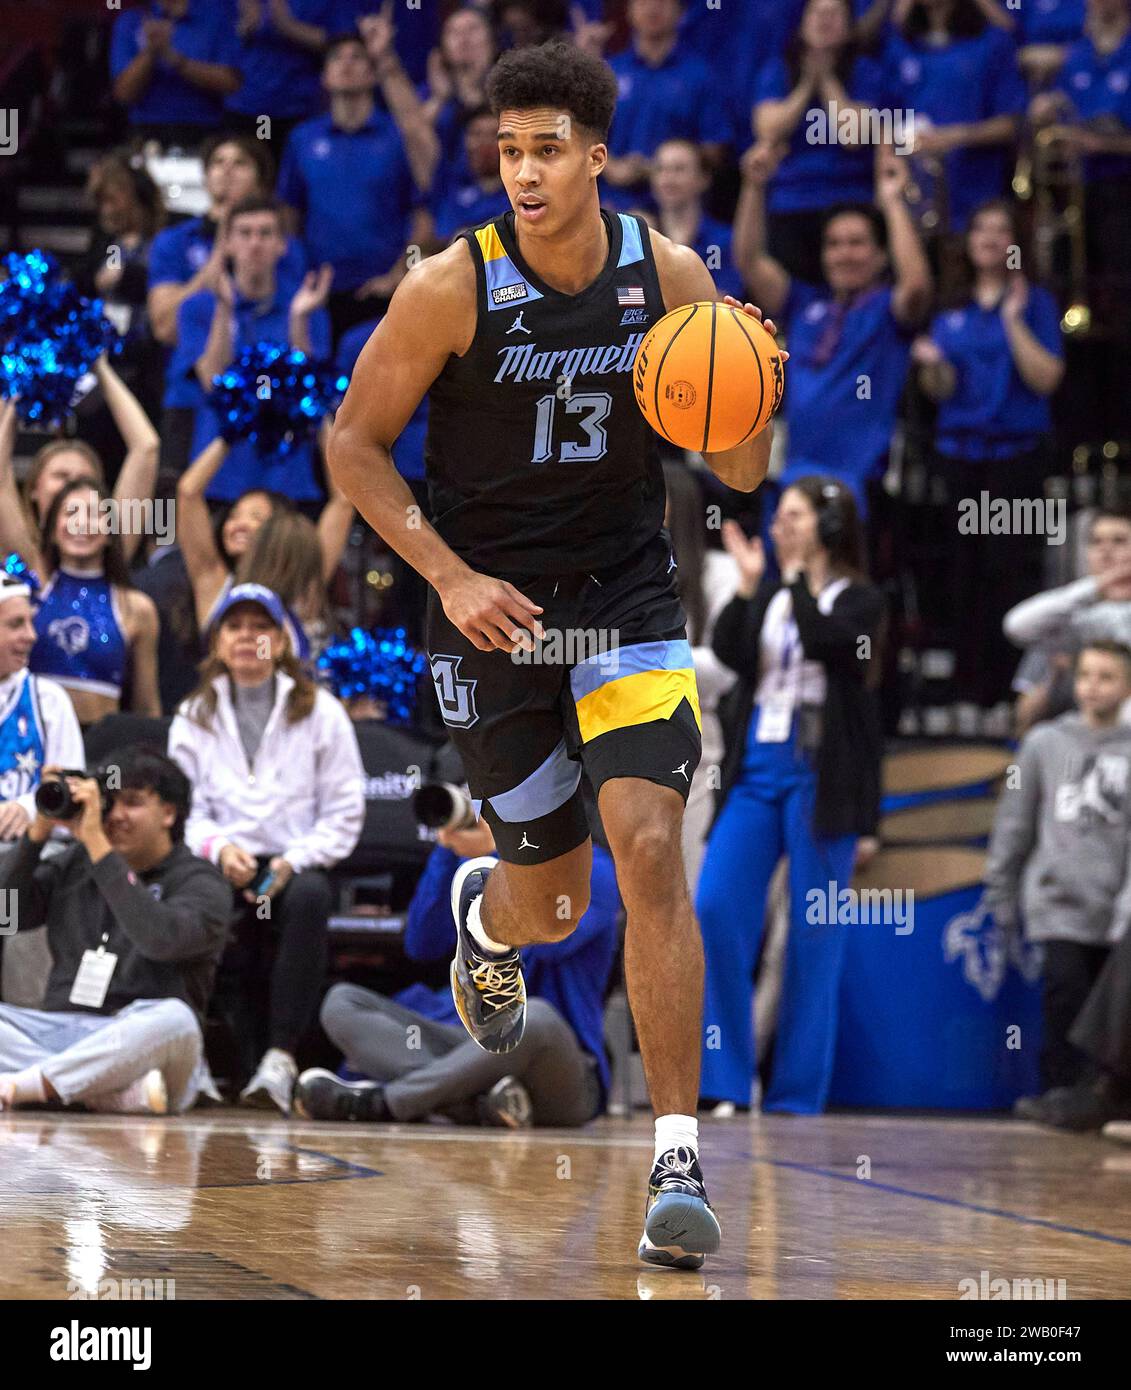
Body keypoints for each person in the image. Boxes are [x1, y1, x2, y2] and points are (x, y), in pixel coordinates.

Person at [329, 39, 782, 1271]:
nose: (523, 172)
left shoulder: (667, 272)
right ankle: (489, 910)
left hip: (626, 597)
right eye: (508, 151)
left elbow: (738, 472)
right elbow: (354, 447)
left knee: (648, 850)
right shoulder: (446, 286)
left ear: (595, 157)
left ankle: (678, 1157)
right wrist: (451, 575)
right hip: (494, 613)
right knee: (558, 899)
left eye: (546, 151)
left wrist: (745, 399)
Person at [696, 479, 885, 1115]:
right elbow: (730, 655)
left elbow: (832, 646)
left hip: (821, 775)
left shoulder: (860, 601)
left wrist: (800, 581)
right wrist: (750, 587)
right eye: (780, 518)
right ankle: (723, 1082)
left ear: (830, 527)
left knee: (814, 932)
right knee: (716, 905)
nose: (779, 528)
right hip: (756, 767)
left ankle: (795, 1095)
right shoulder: (774, 592)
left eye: (796, 518)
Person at [167, 584, 365, 1113]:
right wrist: (219, 848)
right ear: (217, 642)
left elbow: (345, 813)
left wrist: (290, 860)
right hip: (222, 860)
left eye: (261, 627)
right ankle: (195, 1060)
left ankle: (279, 1058)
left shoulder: (321, 711)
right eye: (235, 627)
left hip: (295, 861)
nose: (247, 637)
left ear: (281, 641)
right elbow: (184, 811)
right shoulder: (193, 714)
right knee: (192, 901)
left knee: (307, 899)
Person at [297, 813, 619, 1127]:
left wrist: (497, 855)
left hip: (553, 1066)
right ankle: (473, 1105)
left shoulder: (596, 869)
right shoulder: (464, 857)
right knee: (341, 1002)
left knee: (534, 1016)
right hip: (462, 1042)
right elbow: (421, 944)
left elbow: (544, 936)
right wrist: (447, 852)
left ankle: (387, 1103)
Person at [0, 749, 231, 1115]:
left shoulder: (202, 882)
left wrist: (97, 845)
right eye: (110, 802)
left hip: (141, 1042)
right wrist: (36, 835)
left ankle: (26, 1084)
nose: (116, 816)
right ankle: (101, 1094)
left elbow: (159, 940)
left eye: (133, 803)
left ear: (169, 813)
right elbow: (5, 918)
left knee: (177, 1019)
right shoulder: (72, 865)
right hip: (62, 1033)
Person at [912, 198, 1065, 712]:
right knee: (962, 571)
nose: (990, 238)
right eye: (981, 228)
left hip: (1015, 457)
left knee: (1008, 569)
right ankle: (966, 683)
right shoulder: (951, 307)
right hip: (960, 454)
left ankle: (1007, 687)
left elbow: (1046, 378)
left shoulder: (1036, 302)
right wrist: (930, 365)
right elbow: (940, 390)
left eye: (1002, 231)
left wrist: (1015, 321)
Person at [734, 141, 931, 514]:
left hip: (858, 484)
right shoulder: (807, 303)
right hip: (794, 479)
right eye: (834, 244)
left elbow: (918, 287)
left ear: (881, 255)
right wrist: (754, 186)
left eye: (857, 243)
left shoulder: (887, 311)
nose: (844, 254)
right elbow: (750, 262)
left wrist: (891, 201)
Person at [984, 641, 1131, 1104]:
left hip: (1115, 906)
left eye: (1107, 677)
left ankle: (1101, 1097)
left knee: (1108, 1014)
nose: (1093, 687)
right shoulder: (1043, 743)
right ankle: (1058, 1093)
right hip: (1058, 901)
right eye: (1085, 675)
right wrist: (1001, 888)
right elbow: (1015, 821)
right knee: (1063, 996)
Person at [147, 133, 308, 474]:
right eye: (218, 163)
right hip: (190, 399)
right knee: (181, 504)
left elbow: (289, 316)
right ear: (205, 176)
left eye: (240, 163)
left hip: (260, 397)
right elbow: (164, 327)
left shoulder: (287, 248)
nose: (227, 171)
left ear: (260, 179)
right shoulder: (174, 241)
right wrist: (219, 256)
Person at [171, 195, 334, 504]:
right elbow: (213, 383)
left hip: (288, 478)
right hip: (220, 476)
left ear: (282, 245)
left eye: (265, 233)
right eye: (244, 233)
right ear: (227, 244)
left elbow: (311, 396)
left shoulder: (308, 309)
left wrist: (298, 321)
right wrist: (224, 309)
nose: (255, 243)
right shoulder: (197, 309)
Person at [277, 32, 435, 341]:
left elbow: (422, 213)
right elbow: (288, 214)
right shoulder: (302, 138)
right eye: (337, 58)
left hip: (385, 290)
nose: (347, 64)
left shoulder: (397, 136)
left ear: (373, 73)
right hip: (317, 291)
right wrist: (296, 277)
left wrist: (399, 274)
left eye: (357, 57)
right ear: (324, 77)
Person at [175, 431, 354, 656]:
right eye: (233, 516)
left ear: (281, 531)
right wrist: (232, 432)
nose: (239, 524)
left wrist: (324, 422)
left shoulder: (303, 587)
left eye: (256, 517)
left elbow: (343, 502)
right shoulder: (213, 583)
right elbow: (188, 491)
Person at [751, 0, 889, 286]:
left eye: (835, 13)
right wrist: (805, 86)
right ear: (801, 23)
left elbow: (854, 135)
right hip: (791, 203)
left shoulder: (866, 70)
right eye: (816, 12)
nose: (825, 19)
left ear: (850, 26)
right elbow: (768, 130)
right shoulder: (779, 69)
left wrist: (826, 80)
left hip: (851, 201)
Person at [880, 0, 1027, 231]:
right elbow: (885, 120)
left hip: (975, 192)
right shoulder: (899, 46)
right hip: (913, 194)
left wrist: (951, 137)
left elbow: (1011, 123)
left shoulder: (992, 42)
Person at [661, 461, 739, 891]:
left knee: (688, 882)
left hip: (695, 736)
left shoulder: (720, 573)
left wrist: (648, 662)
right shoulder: (620, 575)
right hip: (620, 729)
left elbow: (725, 667)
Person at [0, 362, 160, 573]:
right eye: (61, 476)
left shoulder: (110, 551)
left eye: (85, 477)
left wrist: (100, 367)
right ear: (34, 490)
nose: (74, 484)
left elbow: (146, 448)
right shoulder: (31, 562)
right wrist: (17, 394)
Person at [28, 479, 161, 728]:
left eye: (95, 515)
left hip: (101, 749)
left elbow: (146, 706)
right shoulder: (32, 591)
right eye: (71, 513)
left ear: (112, 533)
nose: (81, 523)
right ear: (52, 530)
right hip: (33, 742)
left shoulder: (136, 607)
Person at [1004, 506, 1131, 732]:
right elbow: (1016, 626)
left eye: (1119, 541)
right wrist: (1097, 586)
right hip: (1079, 749)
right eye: (1096, 542)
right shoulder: (1067, 618)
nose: (1106, 551)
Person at [602, 0, 731, 211]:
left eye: (662, 2)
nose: (653, 9)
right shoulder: (609, 72)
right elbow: (584, 136)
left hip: (678, 211)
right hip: (614, 205)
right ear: (629, 11)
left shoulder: (700, 76)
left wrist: (662, 168)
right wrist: (611, 167)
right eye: (643, 3)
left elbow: (715, 148)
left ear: (681, 12)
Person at [0, 570, 84, 844]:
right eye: (16, 624)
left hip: (35, 858)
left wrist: (29, 809)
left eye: (30, 623)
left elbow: (74, 800)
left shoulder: (49, 700)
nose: (32, 635)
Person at [109, 0, 241, 147]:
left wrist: (175, 59)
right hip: (146, 130)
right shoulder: (131, 20)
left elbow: (231, 83)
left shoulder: (217, 16)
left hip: (206, 130)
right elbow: (123, 94)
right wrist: (151, 51)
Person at [648, 140, 745, 300]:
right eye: (660, 169)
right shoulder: (639, 237)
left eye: (679, 170)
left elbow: (726, 302)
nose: (668, 179)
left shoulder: (723, 240)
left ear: (703, 179)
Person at [426, 105, 510, 249]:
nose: (484, 143)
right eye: (476, 134)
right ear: (464, 140)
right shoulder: (447, 185)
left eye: (493, 135)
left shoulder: (520, 195)